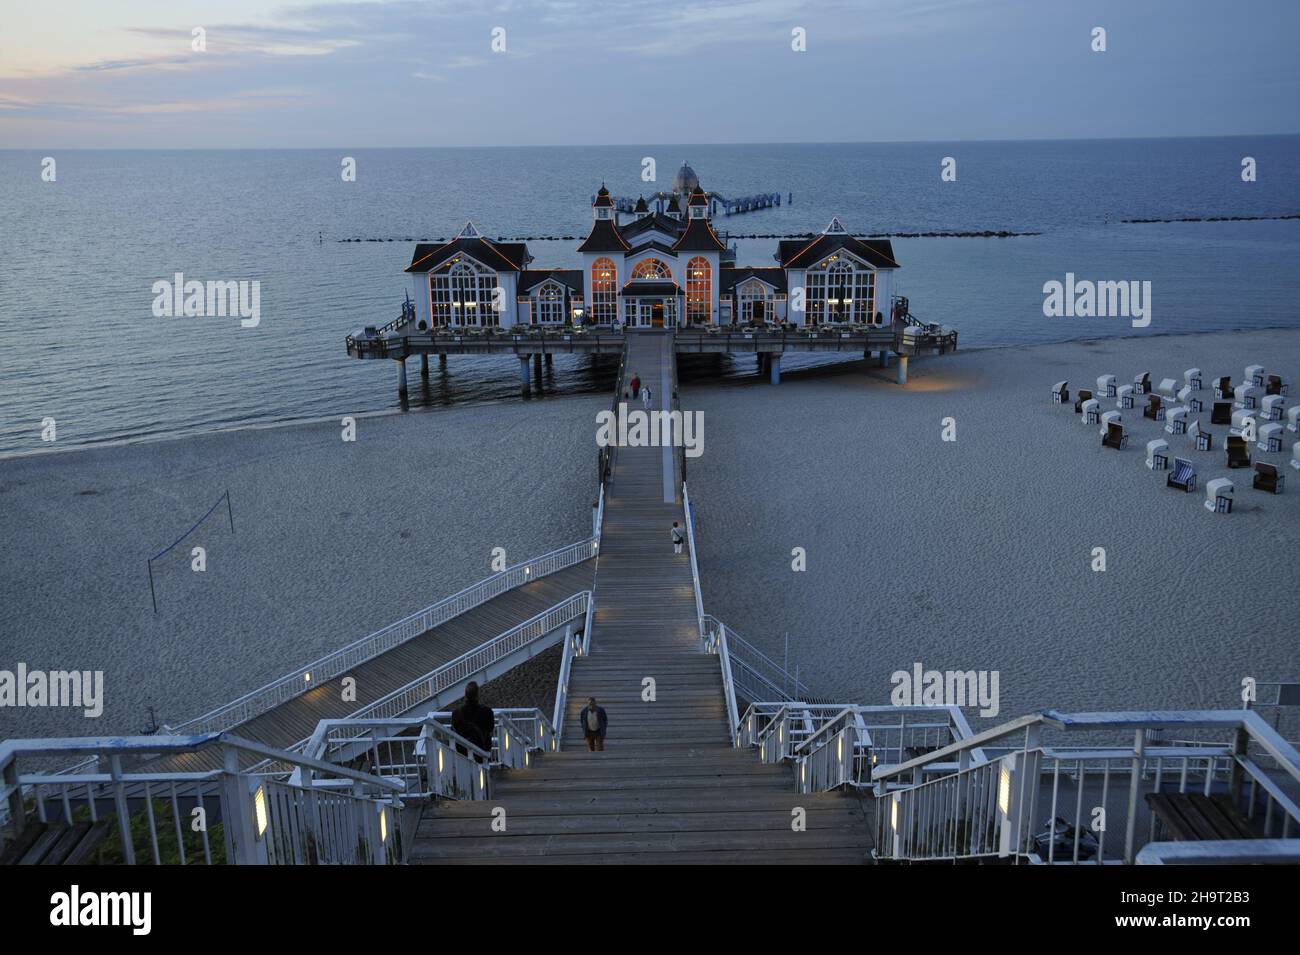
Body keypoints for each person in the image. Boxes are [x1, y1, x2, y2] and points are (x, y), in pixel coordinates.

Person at [451, 681, 494, 753]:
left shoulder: (456, 713)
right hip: (481, 750)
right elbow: (490, 728)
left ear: (465, 695)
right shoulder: (487, 711)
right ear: (477, 695)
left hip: (462, 752)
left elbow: (454, 729)